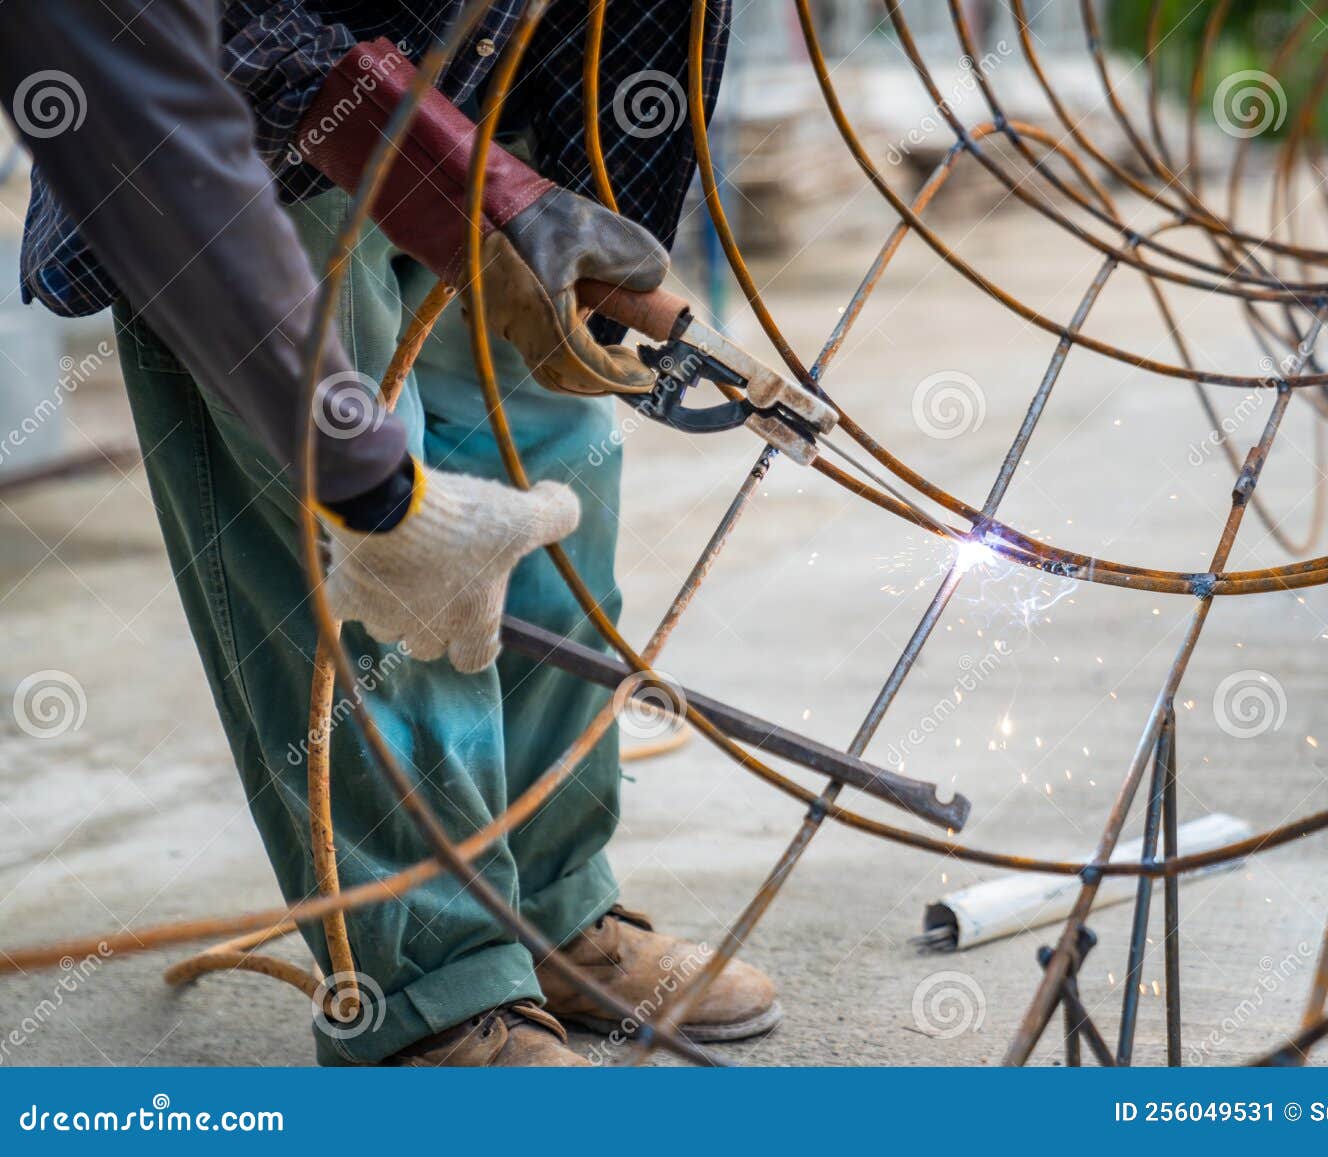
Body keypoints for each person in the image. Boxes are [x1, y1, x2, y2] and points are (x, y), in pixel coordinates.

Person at [8, 0, 777, 1067]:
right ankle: (431, 991)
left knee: (551, 505)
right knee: (383, 579)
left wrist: (549, 192)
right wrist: (372, 490)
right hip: (272, 142)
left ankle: (549, 911)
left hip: (515, 94)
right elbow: (170, 85)